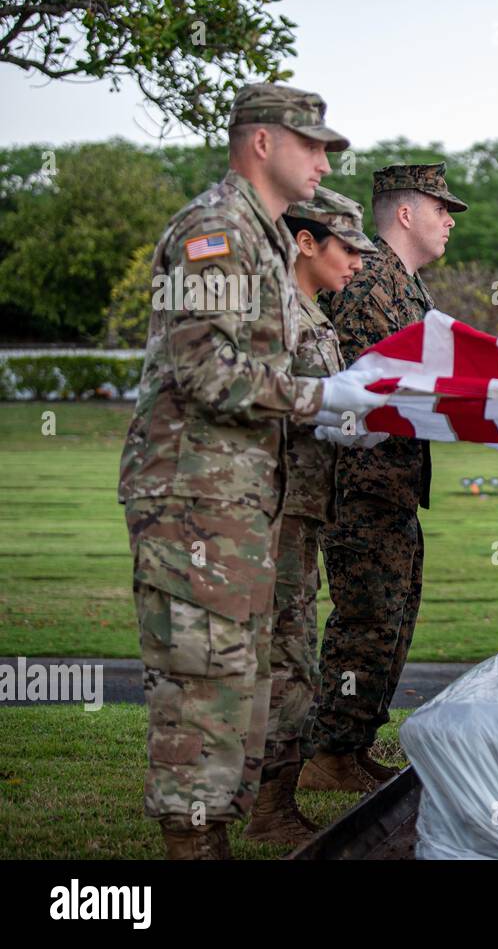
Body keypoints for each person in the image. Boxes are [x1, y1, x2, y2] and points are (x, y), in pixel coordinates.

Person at [118, 84, 387, 858]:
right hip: (192, 497)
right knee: (203, 687)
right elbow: (203, 369)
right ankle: (194, 847)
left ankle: (218, 836)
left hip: (236, 497)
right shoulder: (215, 228)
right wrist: (318, 397)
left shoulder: (262, 236)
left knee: (236, 682)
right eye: (311, 145)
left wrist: (326, 409)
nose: (323, 159)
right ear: (262, 143)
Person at [302, 164, 467, 793]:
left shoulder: (403, 284)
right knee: (368, 615)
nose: (449, 220)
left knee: (392, 612)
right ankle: (328, 751)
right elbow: (382, 376)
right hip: (359, 480)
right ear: (405, 214)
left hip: (390, 481)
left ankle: (349, 744)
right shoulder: (369, 278)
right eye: (440, 208)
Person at [242, 185, 385, 844]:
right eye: (348, 247)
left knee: (289, 658)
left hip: (298, 511)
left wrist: (350, 417)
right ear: (306, 241)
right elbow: (245, 402)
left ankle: (268, 799)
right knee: (280, 661)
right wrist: (331, 406)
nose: (358, 262)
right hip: (265, 513)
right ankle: (264, 807)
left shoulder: (312, 316)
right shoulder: (271, 313)